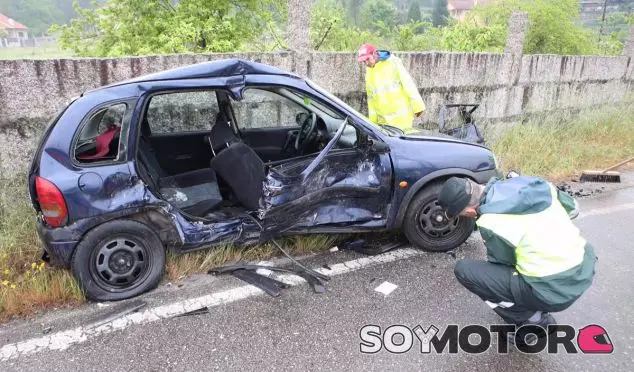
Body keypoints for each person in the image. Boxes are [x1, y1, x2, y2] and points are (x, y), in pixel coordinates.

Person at [437, 175, 597, 343]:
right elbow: (573, 209)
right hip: (584, 267)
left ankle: (533, 322)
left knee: (466, 271)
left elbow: (502, 264)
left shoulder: (492, 220)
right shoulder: (533, 184)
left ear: (470, 211)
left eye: (463, 215)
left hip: (555, 290)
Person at [357, 43, 425, 134]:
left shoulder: (392, 63)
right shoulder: (369, 71)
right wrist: (372, 123)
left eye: (367, 59)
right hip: (384, 122)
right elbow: (371, 98)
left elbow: (408, 83)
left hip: (401, 119)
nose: (366, 63)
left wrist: (418, 106)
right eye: (364, 61)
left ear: (374, 54)